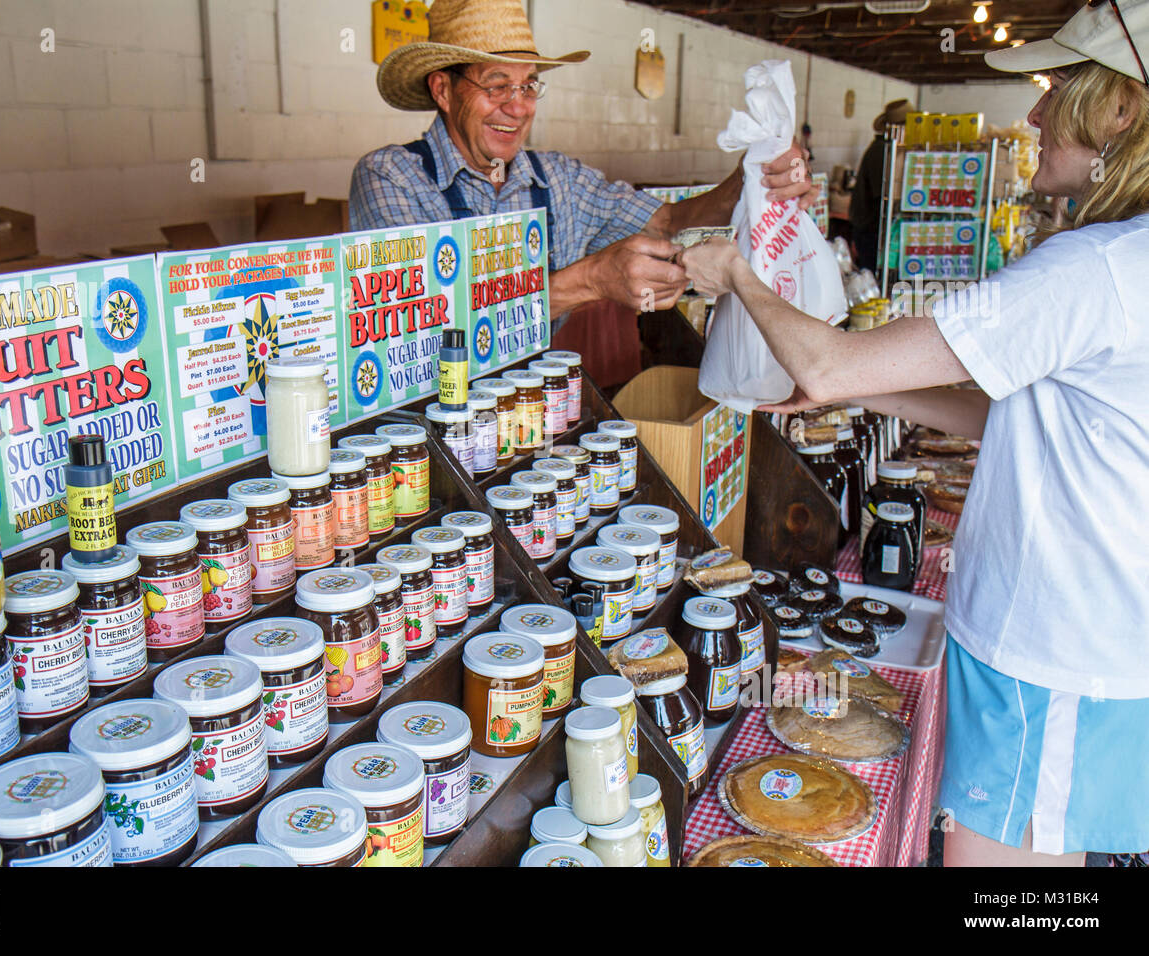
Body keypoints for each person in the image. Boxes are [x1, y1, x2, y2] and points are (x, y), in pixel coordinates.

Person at [680, 0, 1149, 866]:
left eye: (1057, 92)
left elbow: (825, 363)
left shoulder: (1095, 269)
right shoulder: (1125, 260)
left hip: (1051, 657)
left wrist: (736, 269)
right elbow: (1006, 411)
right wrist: (876, 398)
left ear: (1120, 110)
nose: (1035, 117)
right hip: (1079, 647)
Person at [349, 0, 816, 320]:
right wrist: (593, 278)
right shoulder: (392, 177)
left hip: (531, 408)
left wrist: (753, 177)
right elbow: (421, 324)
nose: (517, 106)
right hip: (420, 433)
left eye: (528, 85)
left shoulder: (558, 180)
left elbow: (669, 220)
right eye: (496, 86)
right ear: (443, 90)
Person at [849, 99, 911, 272]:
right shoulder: (882, 151)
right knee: (873, 277)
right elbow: (883, 195)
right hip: (871, 231)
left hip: (876, 229)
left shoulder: (891, 150)